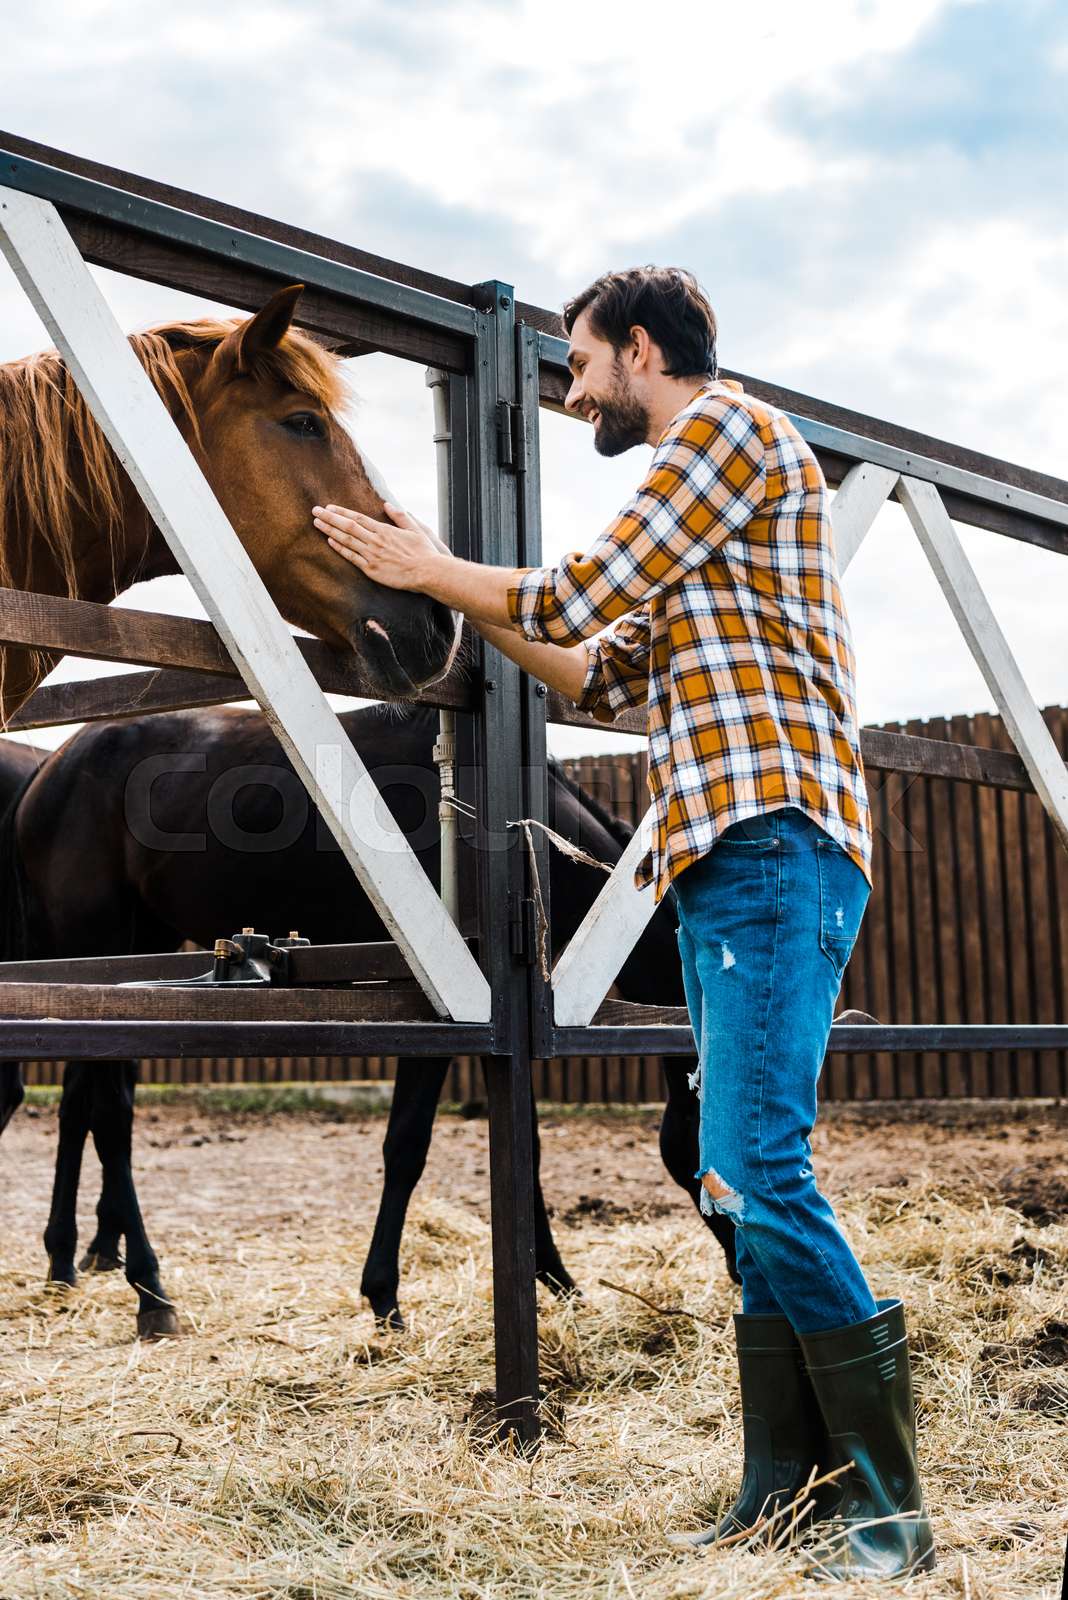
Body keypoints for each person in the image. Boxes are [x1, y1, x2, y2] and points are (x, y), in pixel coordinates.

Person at [312, 266, 934, 1581]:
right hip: (724, 859)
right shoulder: (706, 508)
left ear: (640, 349)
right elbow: (600, 664)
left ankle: (885, 1495)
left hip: (777, 844)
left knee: (762, 1166)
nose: (573, 387)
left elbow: (580, 596)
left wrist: (438, 565)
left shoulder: (722, 433)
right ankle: (784, 1483)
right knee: (729, 1168)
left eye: (581, 362)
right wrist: (460, 601)